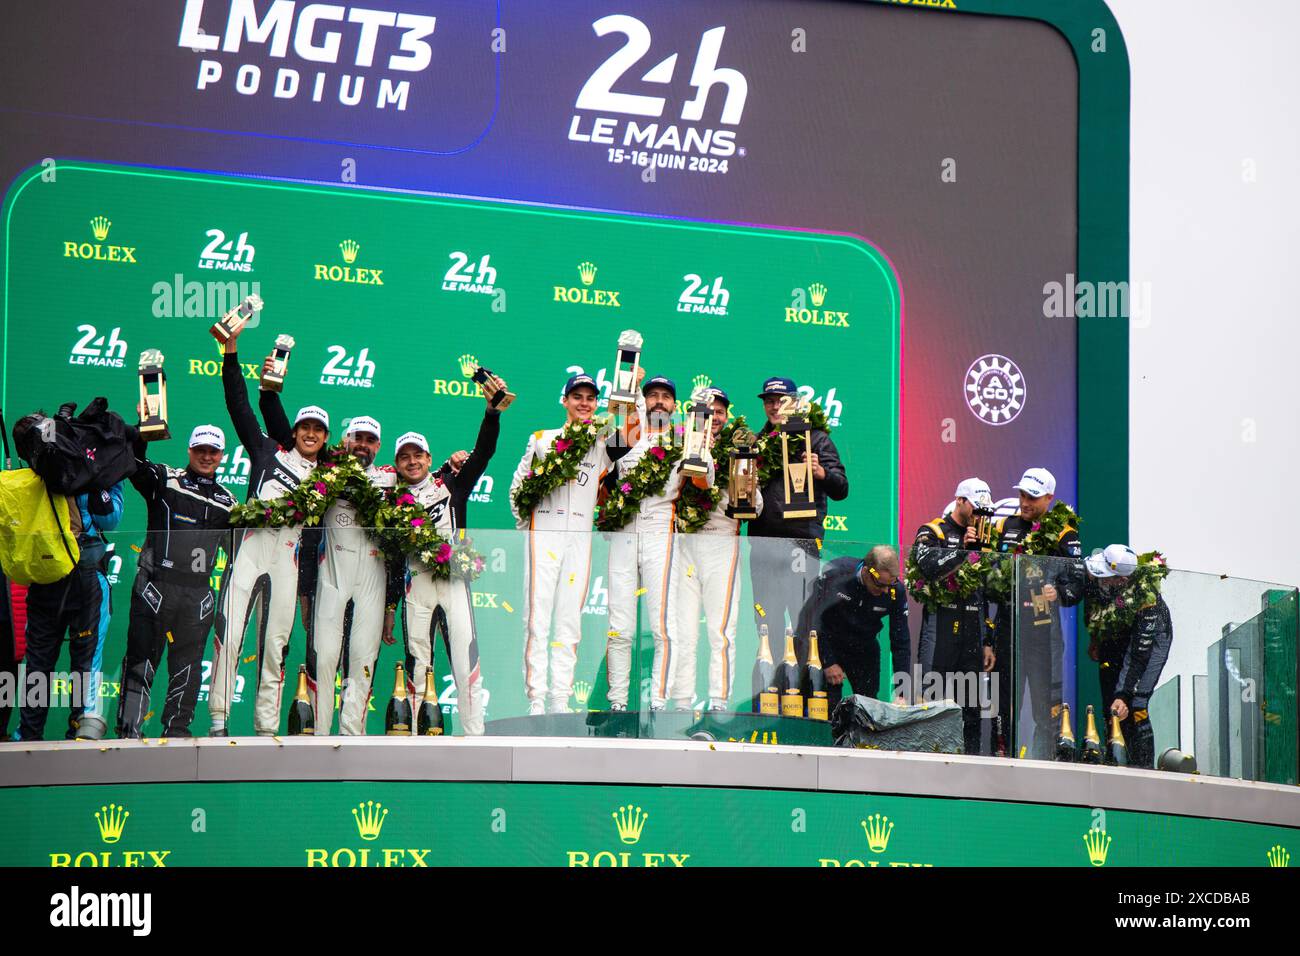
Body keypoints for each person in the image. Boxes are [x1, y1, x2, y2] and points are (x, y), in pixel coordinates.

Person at [209, 327, 329, 736]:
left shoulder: (328, 478)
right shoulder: (266, 450)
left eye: (318, 429)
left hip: (288, 559)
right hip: (250, 549)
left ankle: (265, 726)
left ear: (325, 438)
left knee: (275, 644)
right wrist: (230, 352)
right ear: (294, 432)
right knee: (229, 633)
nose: (310, 433)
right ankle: (219, 720)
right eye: (304, 427)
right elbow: (239, 404)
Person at [509, 370, 642, 716]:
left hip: (579, 540)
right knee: (536, 618)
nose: (584, 403)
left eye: (590, 398)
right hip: (545, 537)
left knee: (569, 620)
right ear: (565, 401)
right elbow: (516, 491)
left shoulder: (601, 443)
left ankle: (559, 700)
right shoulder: (542, 439)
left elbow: (633, 433)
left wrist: (632, 387)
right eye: (577, 397)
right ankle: (536, 700)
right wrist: (531, 528)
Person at [394, 372, 504, 736]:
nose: (412, 462)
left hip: (454, 579)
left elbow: (484, 453)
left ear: (428, 458)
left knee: (464, 657)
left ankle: (474, 733)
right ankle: (411, 733)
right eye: (404, 457)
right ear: (396, 465)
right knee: (418, 659)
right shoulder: (391, 500)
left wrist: (491, 414)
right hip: (416, 585)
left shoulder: (452, 483)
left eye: (418, 455)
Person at [117, 424, 236, 738]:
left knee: (189, 669)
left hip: (197, 595)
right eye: (200, 450)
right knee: (140, 660)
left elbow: (243, 553)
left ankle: (177, 731)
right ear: (190, 450)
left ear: (222, 456)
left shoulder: (228, 502)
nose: (206, 457)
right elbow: (134, 463)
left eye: (213, 451)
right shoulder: (165, 479)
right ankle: (129, 729)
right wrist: (143, 431)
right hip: (155, 585)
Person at [605, 376, 712, 712]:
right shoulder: (626, 434)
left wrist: (701, 445)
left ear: (675, 406)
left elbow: (705, 480)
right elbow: (600, 462)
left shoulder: (685, 438)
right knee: (619, 627)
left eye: (667, 396)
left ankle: (657, 704)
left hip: (661, 531)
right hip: (623, 530)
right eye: (653, 395)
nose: (660, 402)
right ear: (644, 400)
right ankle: (618, 704)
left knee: (663, 625)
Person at [302, 416, 396, 735]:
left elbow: (426, 481)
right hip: (333, 576)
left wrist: (391, 607)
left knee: (362, 659)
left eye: (370, 440)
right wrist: (305, 592)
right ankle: (319, 733)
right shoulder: (327, 472)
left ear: (378, 447)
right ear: (344, 440)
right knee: (326, 656)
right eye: (357, 438)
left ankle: (352, 733)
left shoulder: (390, 481)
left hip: (373, 580)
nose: (363, 445)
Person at [670, 387, 762, 711]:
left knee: (721, 631)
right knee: (683, 630)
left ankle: (719, 701)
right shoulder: (681, 445)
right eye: (707, 411)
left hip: (722, 543)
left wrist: (747, 489)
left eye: (719, 411)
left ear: (726, 414)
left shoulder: (740, 450)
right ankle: (681, 702)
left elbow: (756, 506)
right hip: (686, 542)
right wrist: (694, 449)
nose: (714, 417)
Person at [747, 376, 848, 667]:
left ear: (796, 403)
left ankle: (803, 691)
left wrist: (822, 474)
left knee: (804, 618)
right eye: (769, 401)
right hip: (764, 542)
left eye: (782, 400)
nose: (775, 406)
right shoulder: (757, 442)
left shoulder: (816, 438)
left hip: (801, 540)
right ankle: (771, 688)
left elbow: (841, 488)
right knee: (766, 618)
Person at [12, 480, 123, 740]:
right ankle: (48, 731)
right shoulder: (50, 454)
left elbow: (110, 520)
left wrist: (95, 483)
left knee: (65, 657)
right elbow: (110, 519)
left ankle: (57, 731)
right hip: (62, 566)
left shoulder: (107, 464)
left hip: (69, 566)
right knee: (55, 658)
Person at [992, 467, 1085, 756]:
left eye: (1032, 496)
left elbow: (1078, 581)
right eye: (1021, 494)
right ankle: (1000, 759)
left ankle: (1043, 762)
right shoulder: (1004, 527)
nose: (1024, 502)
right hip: (1009, 628)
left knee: (1046, 707)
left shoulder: (1064, 534)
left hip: (1044, 633)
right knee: (1004, 704)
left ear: (1049, 498)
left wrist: (1059, 592)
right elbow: (989, 573)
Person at [910, 478, 997, 755]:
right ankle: (925, 761)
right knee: (931, 701)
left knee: (971, 706)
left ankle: (971, 765)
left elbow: (984, 591)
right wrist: (963, 553)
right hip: (941, 626)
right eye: (976, 507)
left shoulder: (984, 538)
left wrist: (988, 639)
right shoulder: (932, 531)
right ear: (960, 500)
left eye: (985, 510)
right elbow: (928, 568)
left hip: (972, 628)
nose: (980, 515)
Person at [795, 545, 910, 713]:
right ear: (866, 571)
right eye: (880, 584)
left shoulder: (895, 591)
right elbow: (812, 618)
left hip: (863, 648)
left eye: (890, 584)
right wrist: (828, 661)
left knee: (867, 710)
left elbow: (901, 641)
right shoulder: (837, 573)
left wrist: (902, 692)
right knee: (827, 708)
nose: (886, 590)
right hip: (829, 641)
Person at [1086, 544, 1172, 769]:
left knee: (1135, 703)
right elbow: (1098, 610)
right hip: (1124, 636)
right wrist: (1096, 638)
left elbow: (1139, 654)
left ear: (1121, 580)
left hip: (1153, 642)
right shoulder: (1111, 584)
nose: (1101, 579)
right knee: (1112, 704)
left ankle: (1143, 769)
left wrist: (1124, 694)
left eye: (1107, 576)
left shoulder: (1147, 601)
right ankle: (1114, 757)